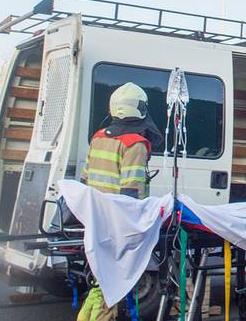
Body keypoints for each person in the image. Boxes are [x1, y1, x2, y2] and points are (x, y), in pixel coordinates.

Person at [79, 83, 165, 321]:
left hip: (96, 219)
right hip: (118, 225)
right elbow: (131, 193)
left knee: (100, 280)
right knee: (113, 283)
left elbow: (85, 179)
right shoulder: (134, 144)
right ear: (140, 108)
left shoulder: (97, 138)